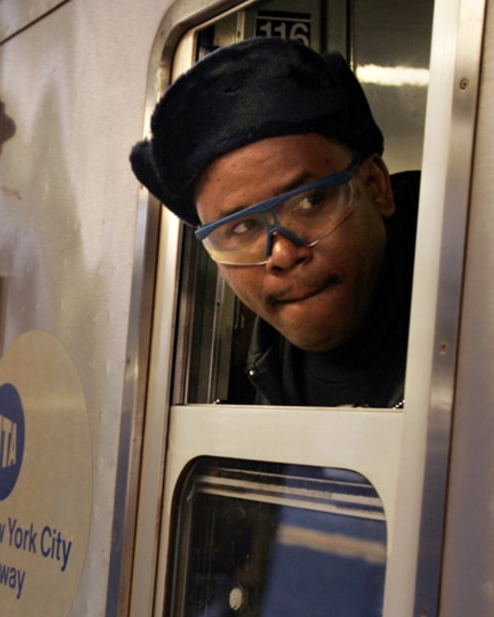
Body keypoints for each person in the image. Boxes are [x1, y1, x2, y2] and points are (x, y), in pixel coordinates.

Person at [130, 37, 417, 408]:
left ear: (376, 187)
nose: (282, 253)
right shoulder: (260, 374)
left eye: (308, 201)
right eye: (241, 227)